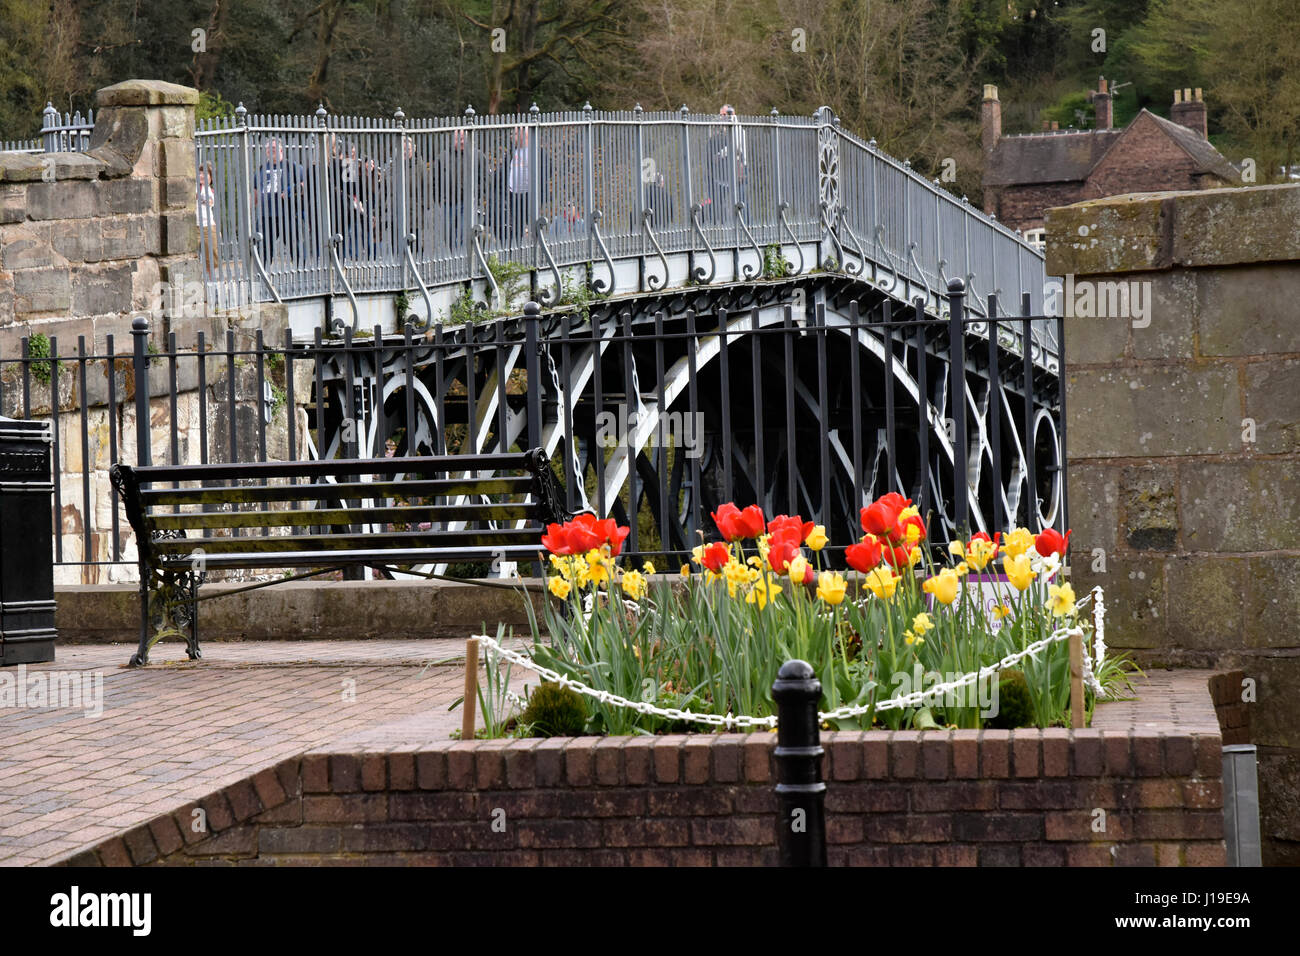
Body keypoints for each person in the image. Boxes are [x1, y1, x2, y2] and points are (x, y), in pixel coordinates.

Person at [431, 128, 489, 255]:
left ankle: (463, 257)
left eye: (464, 139)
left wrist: (476, 194)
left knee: (465, 232)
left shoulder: (478, 156)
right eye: (459, 139)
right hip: (448, 202)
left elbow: (485, 179)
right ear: (453, 140)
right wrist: (439, 198)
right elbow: (435, 179)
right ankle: (454, 256)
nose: (462, 142)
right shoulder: (443, 157)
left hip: (467, 202)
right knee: (449, 234)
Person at [252, 138, 305, 264]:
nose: (271, 151)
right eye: (268, 149)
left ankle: (301, 275)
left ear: (281, 150)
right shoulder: (260, 170)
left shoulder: (292, 167)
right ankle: (263, 276)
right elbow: (255, 193)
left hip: (288, 214)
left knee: (295, 246)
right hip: (266, 215)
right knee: (263, 248)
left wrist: (292, 190)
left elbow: (304, 186)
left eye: (274, 148)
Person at [503, 126, 552, 245]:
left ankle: (538, 250)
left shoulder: (537, 152)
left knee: (534, 225)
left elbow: (547, 171)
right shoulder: (511, 152)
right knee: (515, 227)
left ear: (523, 135)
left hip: (531, 195)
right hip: (514, 195)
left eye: (514, 134)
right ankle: (516, 252)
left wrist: (535, 185)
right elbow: (504, 171)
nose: (511, 137)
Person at [197, 162, 219, 273]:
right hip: (195, 226)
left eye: (205, 173)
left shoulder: (211, 191)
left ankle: (211, 285)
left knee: (211, 260)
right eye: (200, 173)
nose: (201, 176)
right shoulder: (195, 188)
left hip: (208, 226)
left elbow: (210, 203)